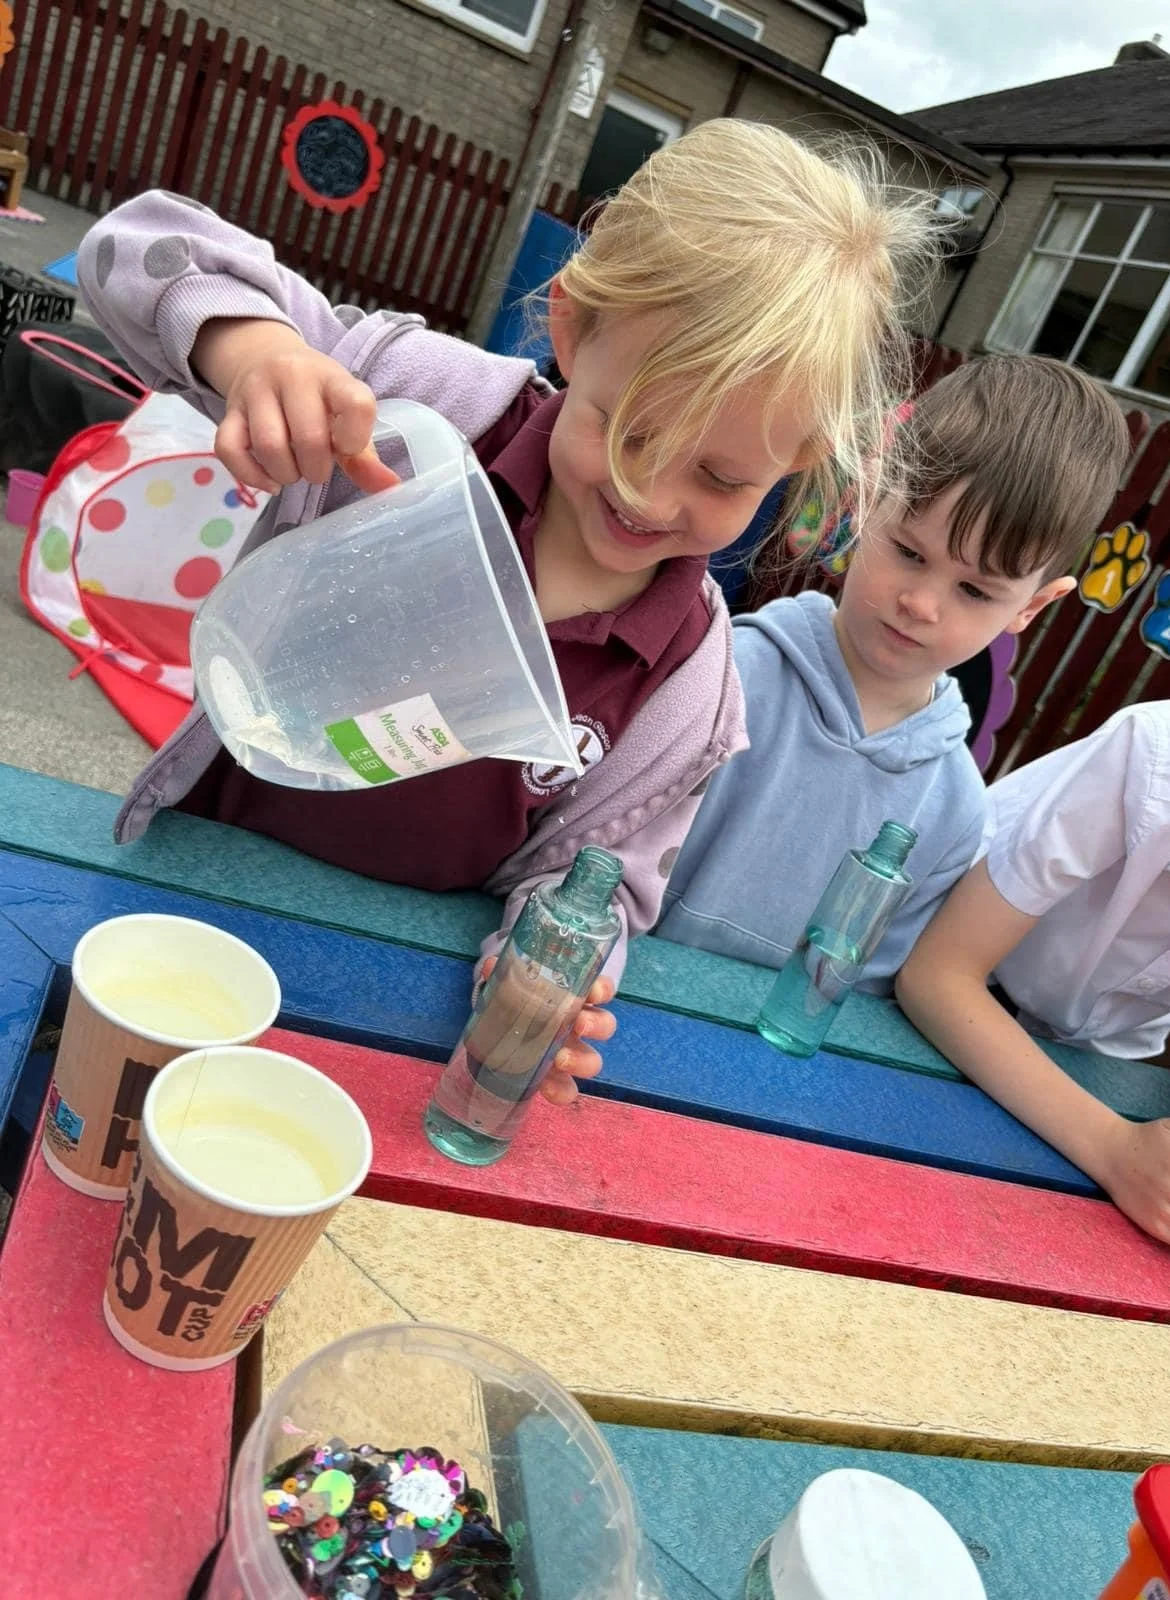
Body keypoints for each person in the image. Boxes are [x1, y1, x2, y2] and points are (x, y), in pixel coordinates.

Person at [75, 119, 936, 1099]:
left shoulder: (685, 682)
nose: (648, 495)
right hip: (189, 888)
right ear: (573, 328)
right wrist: (258, 353)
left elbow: (593, 878)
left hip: (381, 1004)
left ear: (795, 464)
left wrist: (554, 970)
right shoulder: (415, 407)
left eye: (722, 475)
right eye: (629, 427)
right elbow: (137, 248)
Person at [654, 355, 1129, 986]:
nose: (922, 604)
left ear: (1034, 606)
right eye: (909, 552)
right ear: (868, 498)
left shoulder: (956, 804)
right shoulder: (725, 673)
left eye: (976, 592)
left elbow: (862, 999)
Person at [897, 699, 1170, 1254]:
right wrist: (1115, 1150)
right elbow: (937, 974)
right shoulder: (1161, 757)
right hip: (936, 998)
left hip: (1098, 1061)